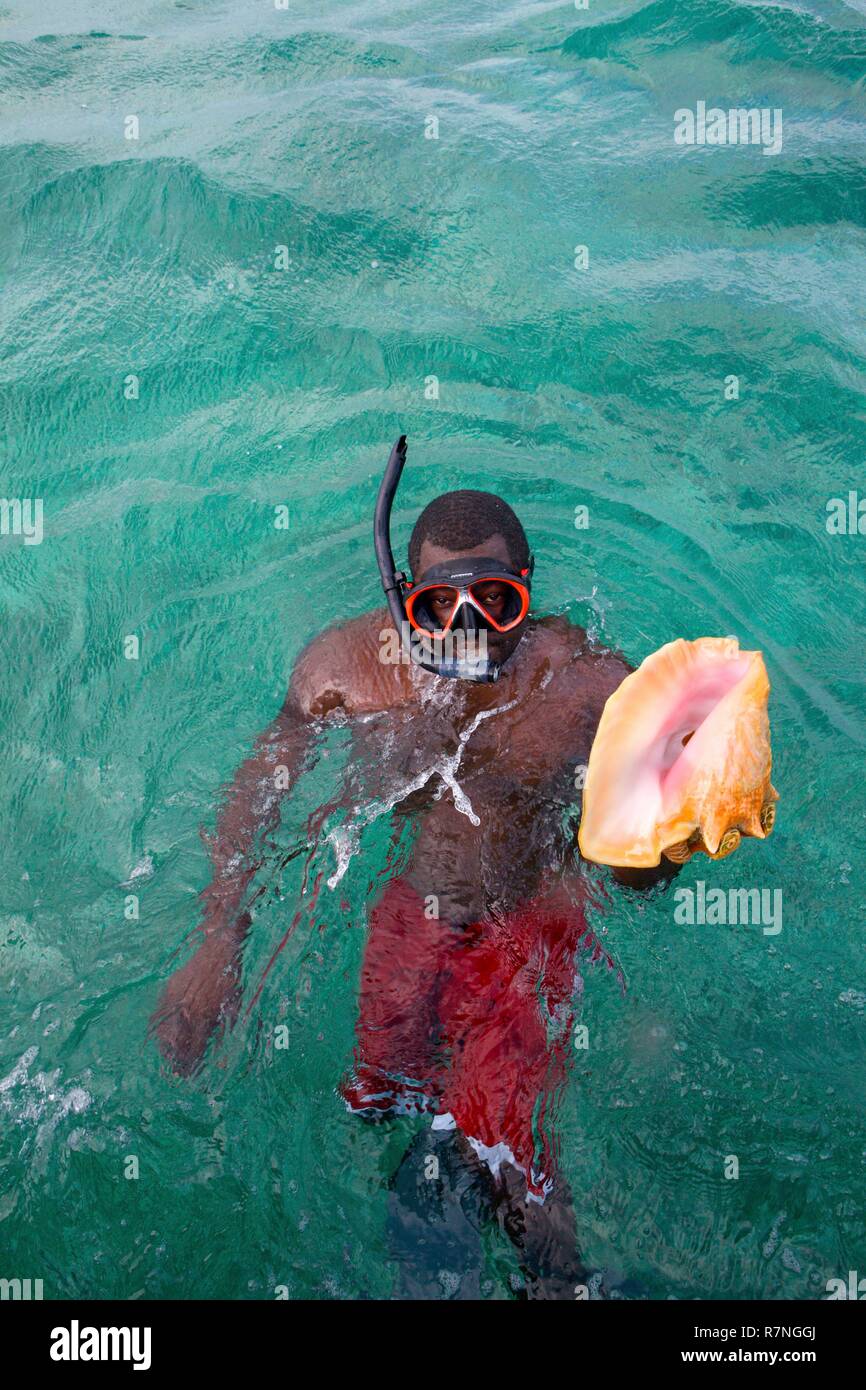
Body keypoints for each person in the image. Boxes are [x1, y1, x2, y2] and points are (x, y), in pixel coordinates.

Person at [151, 437, 677, 1298]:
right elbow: (256, 796)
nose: (469, 629)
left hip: (529, 921)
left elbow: (636, 874)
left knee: (513, 1162)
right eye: (441, 606)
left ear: (531, 590)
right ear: (403, 597)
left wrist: (664, 852)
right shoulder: (344, 673)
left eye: (499, 603)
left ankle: (564, 1280)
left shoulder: (589, 686)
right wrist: (219, 943)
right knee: (390, 1113)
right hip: (410, 914)